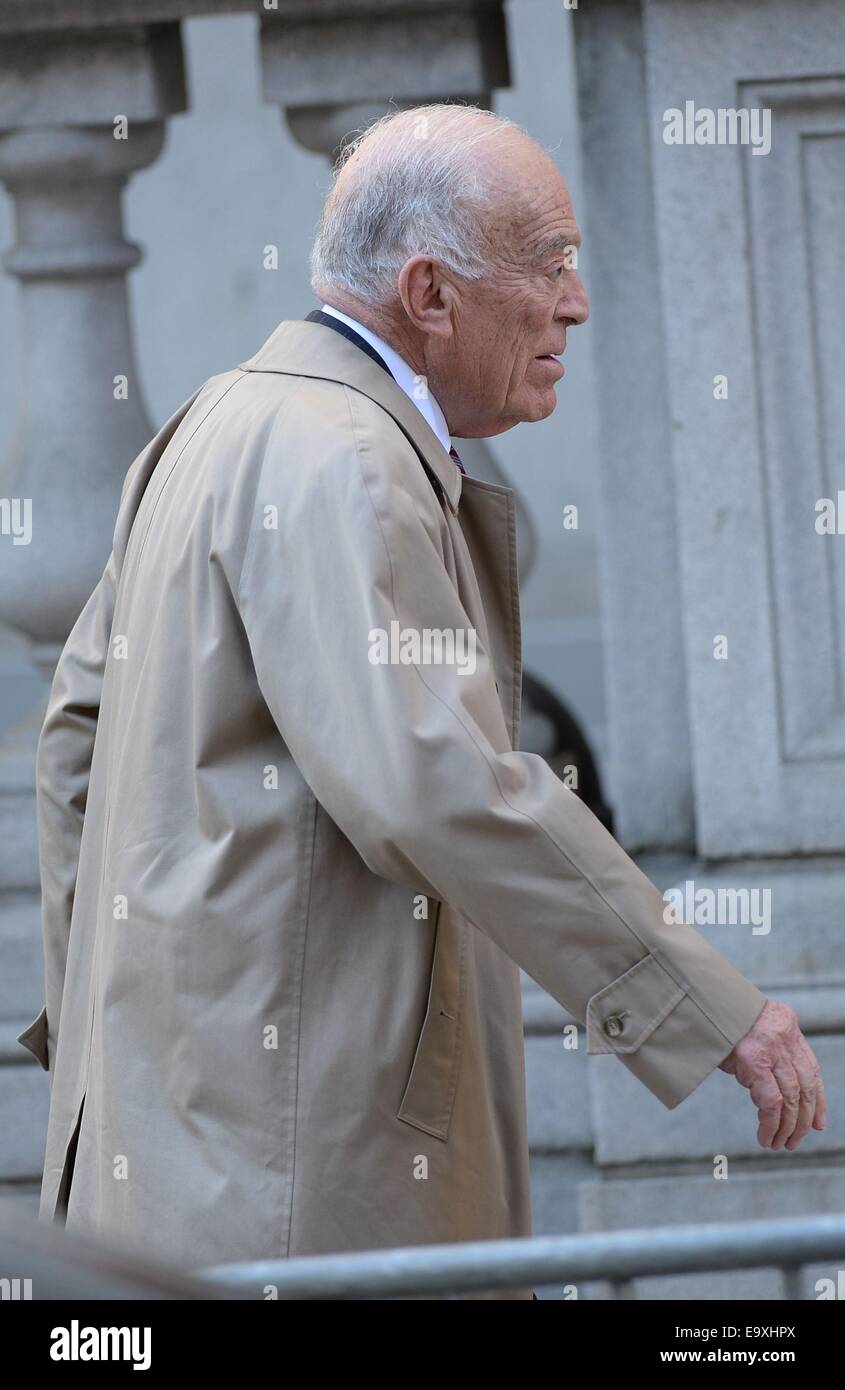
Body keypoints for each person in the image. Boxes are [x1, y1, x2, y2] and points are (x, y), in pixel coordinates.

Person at [18, 104, 825, 1300]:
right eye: (545, 260)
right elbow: (432, 778)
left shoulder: (207, 425)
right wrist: (703, 1004)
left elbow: (69, 754)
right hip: (310, 1173)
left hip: (178, 1159)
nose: (575, 301)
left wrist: (106, 1048)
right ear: (429, 293)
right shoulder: (347, 456)